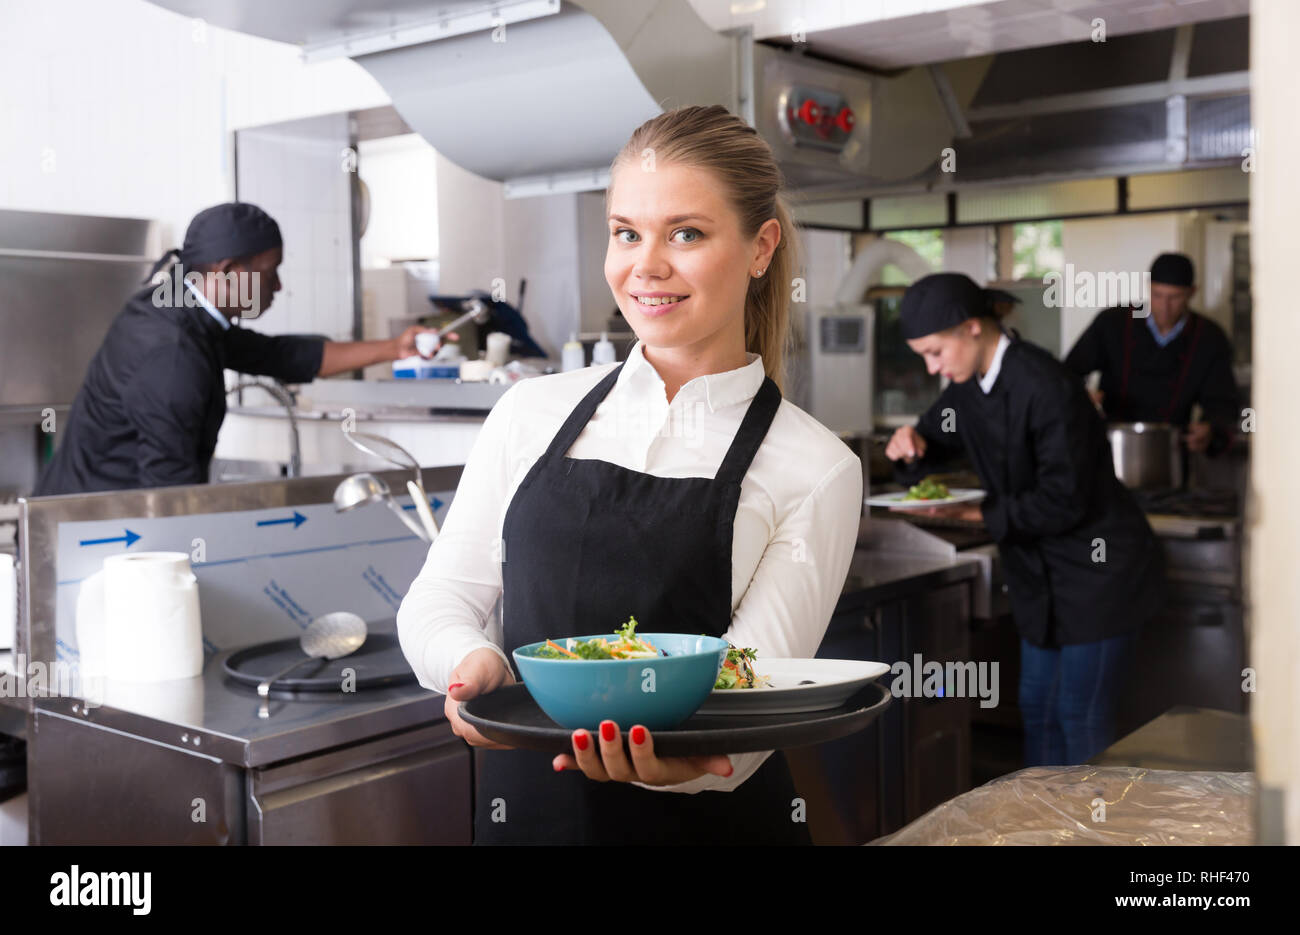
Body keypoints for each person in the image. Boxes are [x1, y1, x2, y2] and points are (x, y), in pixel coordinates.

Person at [396, 105, 862, 845]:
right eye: (626, 232)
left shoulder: (815, 467)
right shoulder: (529, 412)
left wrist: (680, 759)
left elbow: (749, 706)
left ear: (760, 247)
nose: (645, 266)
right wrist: (469, 661)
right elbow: (440, 597)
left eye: (687, 233)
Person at [884, 273, 1164, 767]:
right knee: (1037, 708)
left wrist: (977, 512)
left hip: (1098, 574)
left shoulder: (1047, 384)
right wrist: (911, 446)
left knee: (1078, 714)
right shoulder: (967, 385)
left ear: (972, 328)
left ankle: (1089, 836)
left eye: (934, 352)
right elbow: (934, 442)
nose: (932, 369)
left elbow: (1065, 499)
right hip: (1039, 576)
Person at [35, 202, 441, 495]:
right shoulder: (172, 354)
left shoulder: (181, 300)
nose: (278, 286)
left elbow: (279, 356)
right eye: (270, 273)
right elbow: (169, 495)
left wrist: (395, 348)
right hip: (95, 531)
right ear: (228, 272)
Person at [1064, 252, 1240, 456]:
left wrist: (1210, 431)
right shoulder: (1113, 322)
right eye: (1157, 295)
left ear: (1192, 292)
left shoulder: (1209, 338)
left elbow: (1223, 403)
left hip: (1171, 453)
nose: (1164, 307)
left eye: (1175, 297)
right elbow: (1067, 373)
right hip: (1110, 450)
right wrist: (1082, 396)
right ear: (1148, 286)